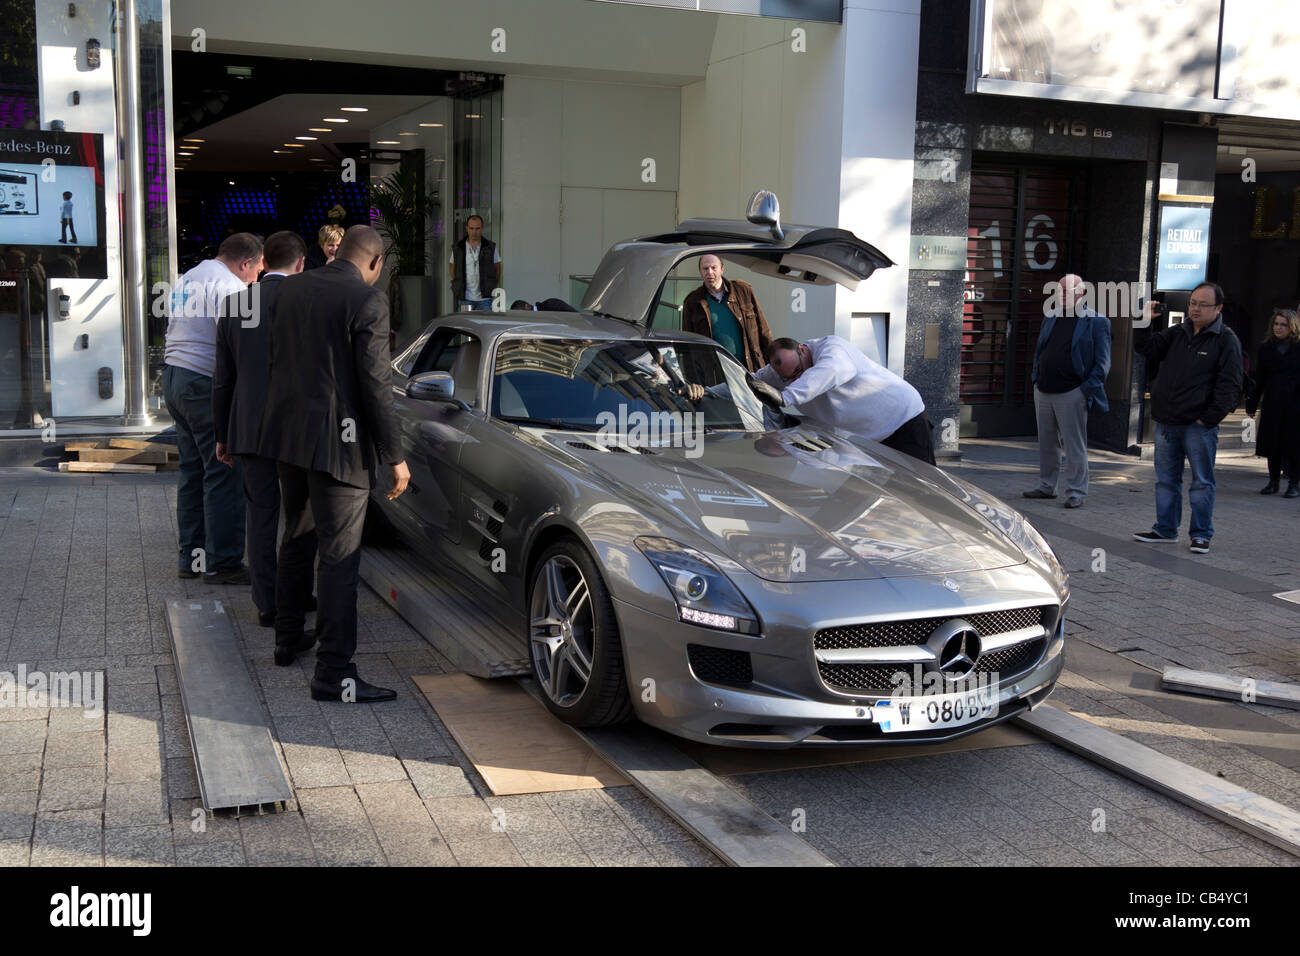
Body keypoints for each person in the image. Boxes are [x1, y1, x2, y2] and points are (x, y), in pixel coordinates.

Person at [257, 225, 410, 699]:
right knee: (340, 557)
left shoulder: (289, 287)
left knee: (297, 537)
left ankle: (286, 639)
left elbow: (275, 360)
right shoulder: (368, 301)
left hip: (288, 439)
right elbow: (376, 385)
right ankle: (333, 672)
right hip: (339, 449)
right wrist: (395, 457)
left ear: (337, 251)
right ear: (375, 261)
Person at [213, 231, 316, 633]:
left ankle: (266, 602)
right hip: (297, 428)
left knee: (260, 514)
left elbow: (224, 379)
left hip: (250, 426)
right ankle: (298, 595)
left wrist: (223, 433)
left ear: (264, 262)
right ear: (301, 263)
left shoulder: (236, 304)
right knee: (300, 516)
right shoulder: (308, 302)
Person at [162, 232, 264, 583]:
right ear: (245, 263)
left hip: (174, 378)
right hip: (203, 382)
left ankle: (192, 558)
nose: (258, 277)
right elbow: (241, 347)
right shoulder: (232, 289)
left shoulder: (188, 277)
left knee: (192, 471)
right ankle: (223, 562)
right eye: (258, 269)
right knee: (223, 471)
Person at [1132, 281, 1243, 553]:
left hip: (1198, 425)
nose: (1195, 308)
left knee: (1201, 482)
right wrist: (1144, 320)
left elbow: (1230, 384)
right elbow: (1146, 348)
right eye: (1193, 303)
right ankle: (1165, 529)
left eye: (1203, 304)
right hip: (1168, 421)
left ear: (1218, 308)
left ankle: (1201, 534)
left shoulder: (1226, 340)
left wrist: (1209, 419)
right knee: (1166, 480)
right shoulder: (1178, 333)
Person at [755, 336, 934, 464]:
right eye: (787, 378)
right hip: (872, 438)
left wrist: (784, 397)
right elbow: (753, 381)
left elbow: (826, 373)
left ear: (802, 349)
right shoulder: (783, 371)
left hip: (905, 419)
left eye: (798, 371)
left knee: (924, 490)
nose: (796, 379)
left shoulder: (833, 349)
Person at [1023, 273, 1111, 509]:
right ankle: (1046, 486)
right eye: (1059, 290)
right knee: (1046, 442)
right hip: (1043, 390)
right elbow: (1040, 352)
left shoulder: (1096, 322)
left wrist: (1085, 391)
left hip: (1072, 392)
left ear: (1081, 293)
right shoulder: (1051, 316)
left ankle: (1076, 491)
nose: (1061, 294)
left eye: (1066, 290)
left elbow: (1102, 364)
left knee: (1074, 445)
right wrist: (1035, 379)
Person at [681, 254, 774, 373]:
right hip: (717, 374)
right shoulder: (693, 302)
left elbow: (764, 331)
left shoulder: (743, 291)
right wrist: (692, 379)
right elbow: (688, 346)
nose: (709, 272)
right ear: (700, 271)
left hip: (751, 368)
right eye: (705, 268)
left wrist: (773, 367)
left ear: (722, 269)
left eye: (714, 268)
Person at [1245, 308, 1300, 498]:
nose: (1279, 327)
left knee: (1293, 445)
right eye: (1276, 324)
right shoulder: (1266, 348)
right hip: (1272, 401)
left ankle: (1294, 483)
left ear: (1291, 326)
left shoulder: (1298, 347)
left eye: (1283, 324)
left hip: (1295, 402)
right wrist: (1252, 403)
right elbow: (1260, 378)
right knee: (1272, 443)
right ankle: (1273, 481)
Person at [449, 214, 500, 311]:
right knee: (466, 324)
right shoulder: (459, 247)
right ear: (467, 228)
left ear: (482, 228)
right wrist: (458, 282)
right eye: (471, 228)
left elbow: (497, 267)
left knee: (483, 324)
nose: (474, 232)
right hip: (466, 299)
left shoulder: (490, 247)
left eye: (477, 228)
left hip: (485, 299)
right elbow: (452, 266)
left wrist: (491, 285)